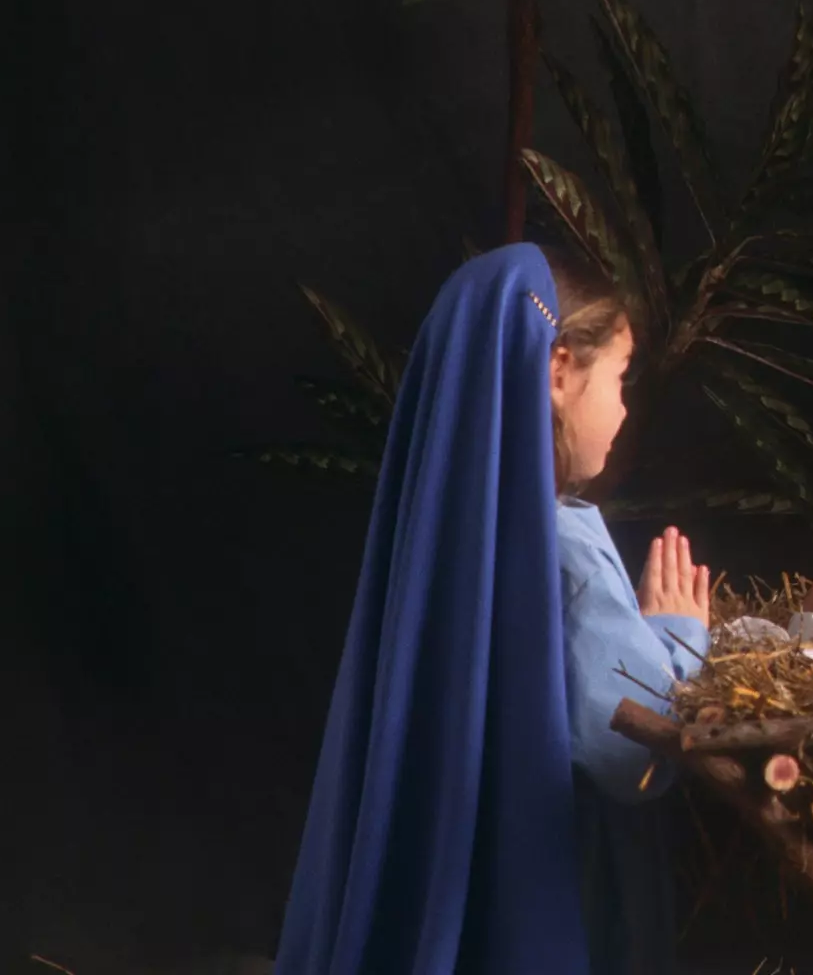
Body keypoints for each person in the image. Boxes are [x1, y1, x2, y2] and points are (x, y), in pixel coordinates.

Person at [273, 244, 712, 975]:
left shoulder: (439, 538)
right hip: (558, 899)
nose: (627, 406)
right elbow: (637, 753)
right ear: (560, 371)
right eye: (621, 377)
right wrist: (676, 634)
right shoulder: (562, 545)